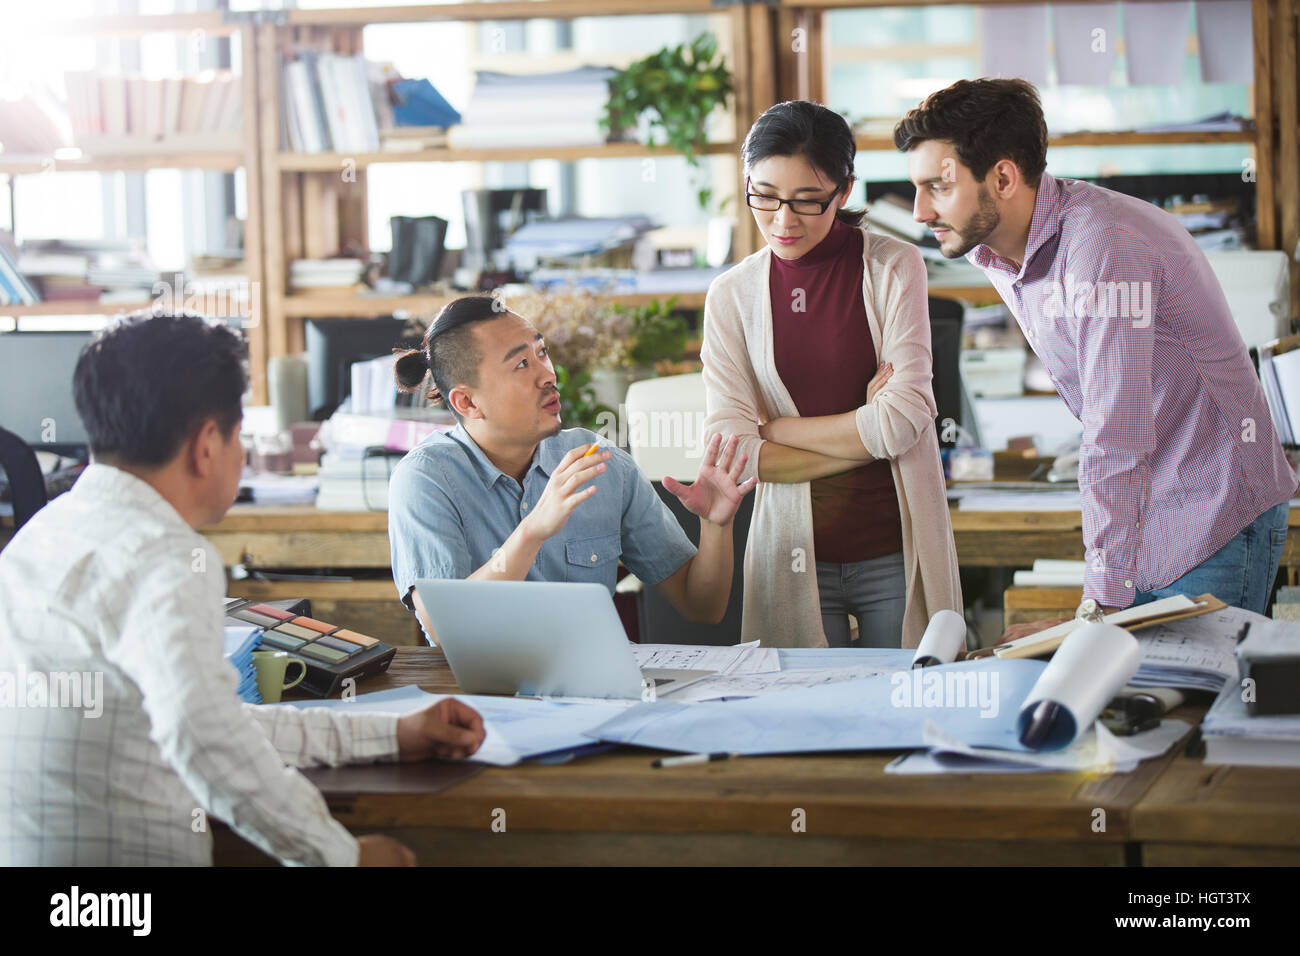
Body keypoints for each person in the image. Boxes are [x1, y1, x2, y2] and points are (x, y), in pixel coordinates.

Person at [0, 313, 485, 866]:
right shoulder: (163, 556)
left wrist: (391, 736)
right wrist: (341, 858)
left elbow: (211, 722)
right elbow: (209, 744)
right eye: (238, 434)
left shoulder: (40, 535)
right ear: (208, 444)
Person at [895, 77, 1297, 638]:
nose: (918, 211)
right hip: (1151, 512)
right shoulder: (996, 250)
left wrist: (1098, 611)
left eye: (936, 187)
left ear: (1004, 177)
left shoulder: (1101, 245)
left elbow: (1117, 434)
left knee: (1194, 707)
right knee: (1134, 697)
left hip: (1214, 511)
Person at [700, 100, 963, 649]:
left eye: (808, 201)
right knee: (804, 724)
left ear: (844, 192)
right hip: (792, 553)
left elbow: (905, 419)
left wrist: (775, 429)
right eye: (765, 197)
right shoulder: (731, 295)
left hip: (896, 547)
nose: (783, 221)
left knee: (907, 714)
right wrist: (869, 428)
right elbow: (733, 453)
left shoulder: (894, 267)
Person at [387, 295, 756, 641]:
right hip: (484, 703)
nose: (548, 374)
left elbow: (702, 605)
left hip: (594, 697)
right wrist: (532, 531)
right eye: (521, 364)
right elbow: (445, 627)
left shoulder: (600, 463)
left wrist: (716, 525)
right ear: (467, 401)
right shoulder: (426, 479)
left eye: (542, 352)